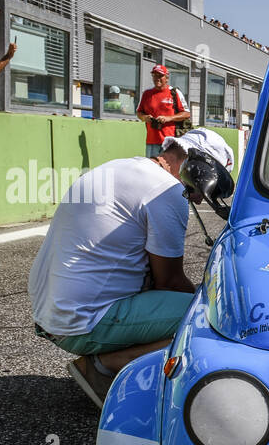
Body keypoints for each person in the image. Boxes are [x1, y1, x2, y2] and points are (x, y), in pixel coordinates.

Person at [28, 128, 236, 407]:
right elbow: (170, 283)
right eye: (207, 186)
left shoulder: (120, 167)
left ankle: (112, 357)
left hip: (50, 312)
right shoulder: (167, 191)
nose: (200, 198)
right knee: (213, 316)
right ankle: (106, 366)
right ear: (198, 167)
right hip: (81, 321)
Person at [136, 64, 191, 157]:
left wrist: (169, 118)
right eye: (154, 76)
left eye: (160, 76)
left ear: (166, 78)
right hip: (151, 141)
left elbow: (186, 114)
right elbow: (139, 112)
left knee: (168, 170)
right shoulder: (147, 94)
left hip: (170, 141)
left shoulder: (174, 92)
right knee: (151, 170)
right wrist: (145, 117)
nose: (157, 78)